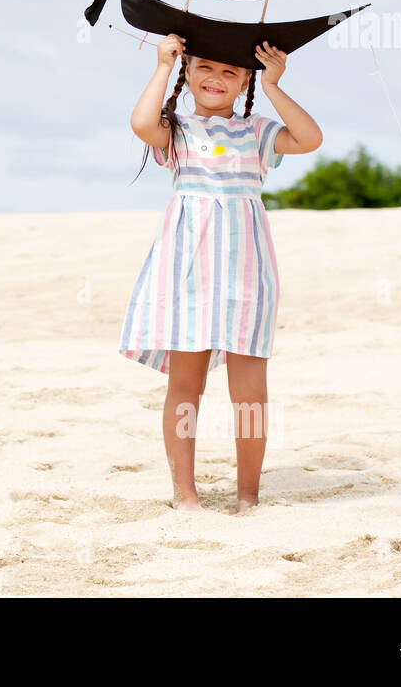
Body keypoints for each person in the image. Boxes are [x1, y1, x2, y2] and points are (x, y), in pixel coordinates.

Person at [120, 34, 323, 514]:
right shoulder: (179, 129)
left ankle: (248, 494)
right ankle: (184, 494)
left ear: (245, 80)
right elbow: (141, 122)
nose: (216, 79)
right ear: (188, 72)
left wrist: (273, 85)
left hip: (246, 276)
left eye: (231, 72)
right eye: (205, 67)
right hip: (187, 271)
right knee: (186, 385)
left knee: (250, 392)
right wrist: (162, 65)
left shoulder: (256, 131)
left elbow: (310, 138)